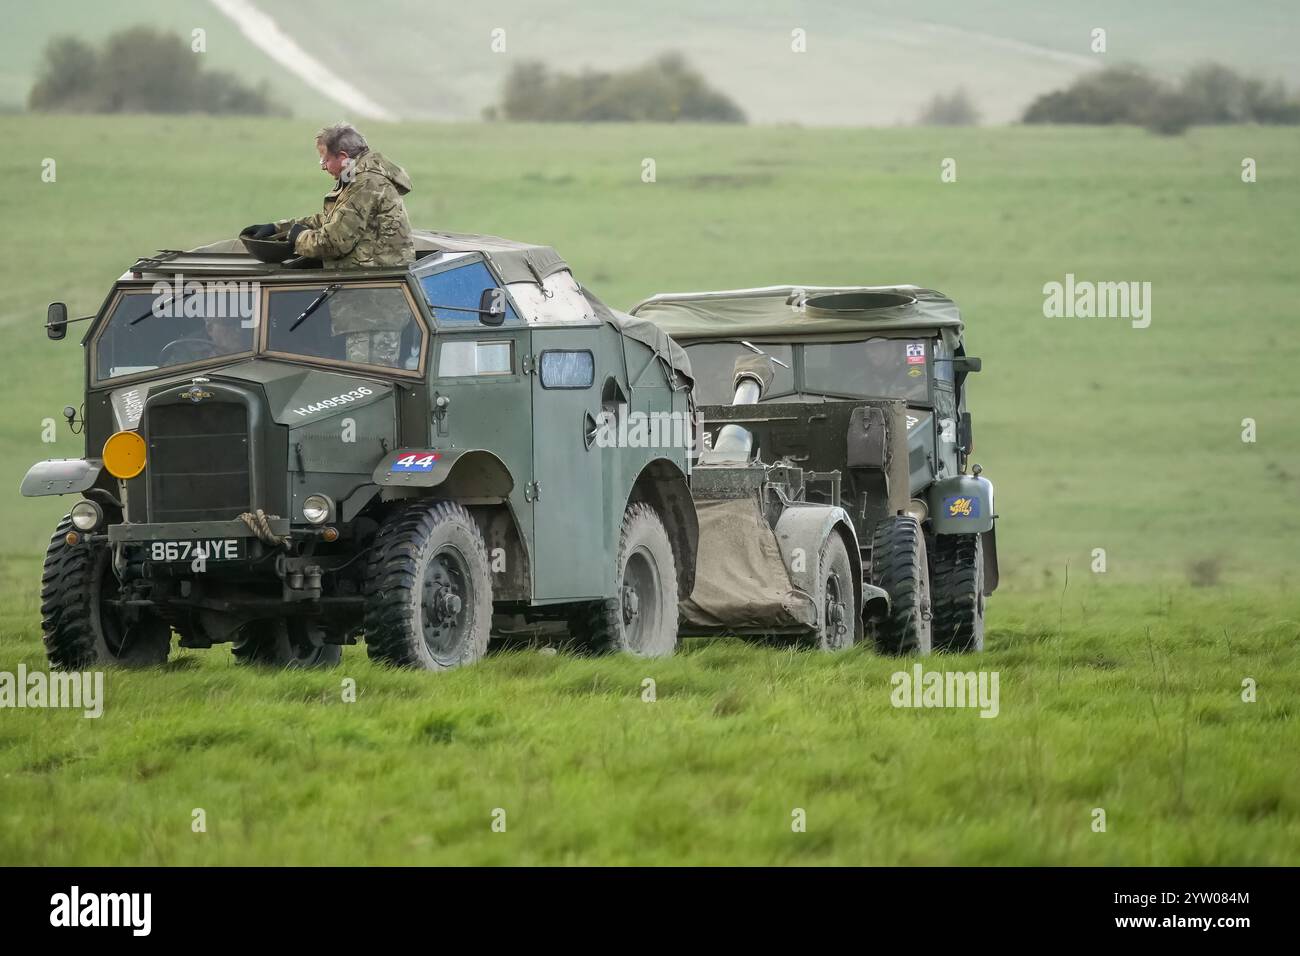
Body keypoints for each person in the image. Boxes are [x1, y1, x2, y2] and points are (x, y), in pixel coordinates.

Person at [241, 122, 415, 366]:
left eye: (324, 160)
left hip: (372, 308)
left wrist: (297, 238)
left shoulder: (366, 184)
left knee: (369, 382)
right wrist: (280, 228)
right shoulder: (357, 178)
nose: (323, 167)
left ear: (343, 157)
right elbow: (331, 219)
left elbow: (334, 242)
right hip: (368, 305)